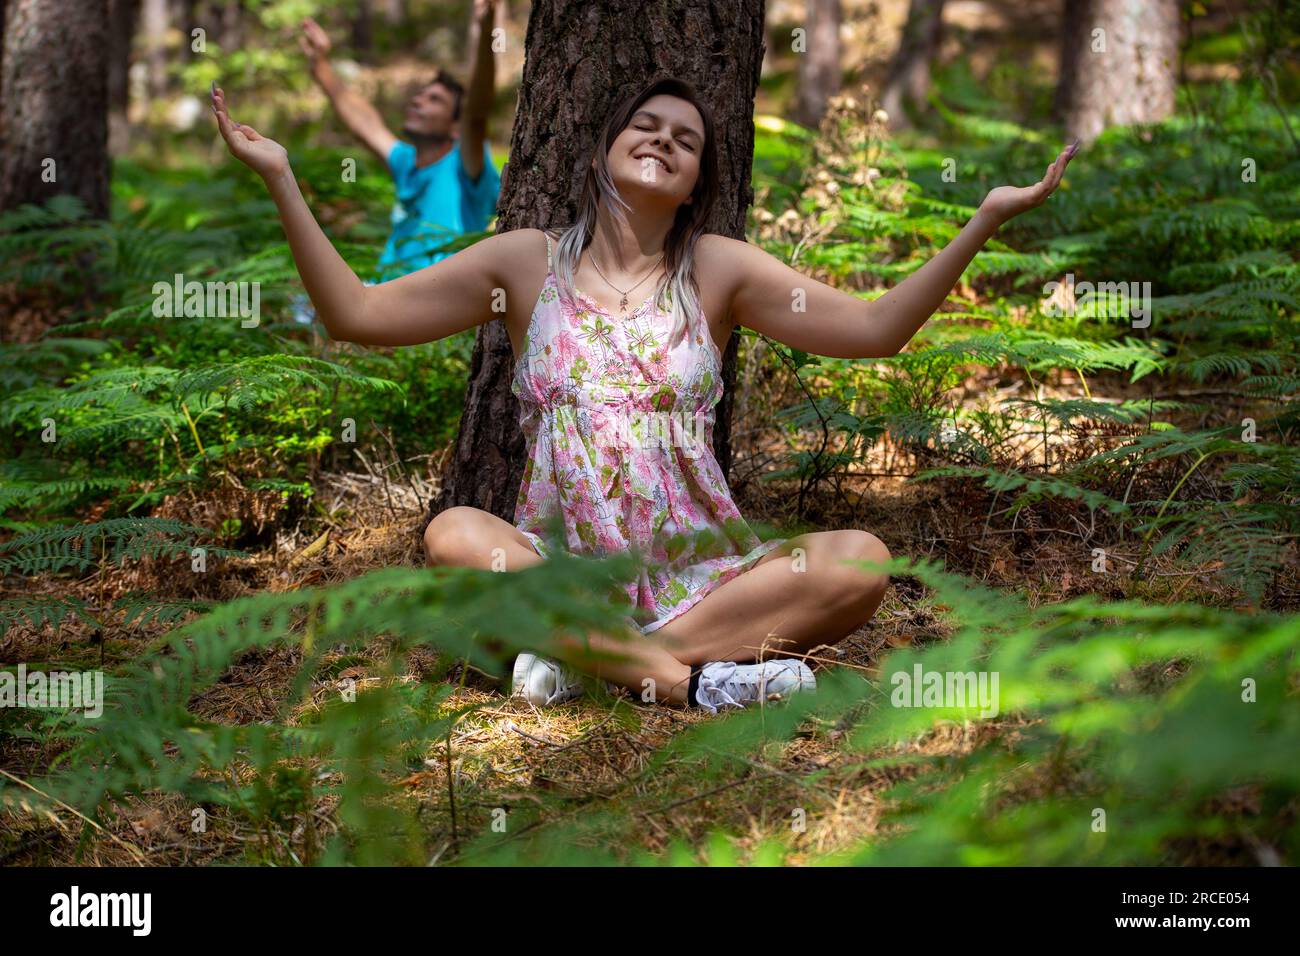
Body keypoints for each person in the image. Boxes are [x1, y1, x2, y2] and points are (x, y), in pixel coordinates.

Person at [208, 75, 1076, 715]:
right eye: (645, 127)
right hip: (562, 577)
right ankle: (695, 685)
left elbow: (877, 329)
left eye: (686, 139)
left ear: (699, 180)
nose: (662, 141)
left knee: (859, 559)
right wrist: (282, 177)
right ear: (602, 150)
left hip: (708, 583)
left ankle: (593, 667)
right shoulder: (525, 263)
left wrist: (985, 219)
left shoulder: (717, 269)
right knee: (455, 535)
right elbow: (357, 313)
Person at [297, 1, 501, 283]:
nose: (417, 101)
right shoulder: (407, 161)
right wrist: (321, 66)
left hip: (437, 309)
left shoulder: (466, 164)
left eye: (435, 100)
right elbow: (365, 124)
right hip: (380, 297)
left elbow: (476, 114)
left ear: (456, 126)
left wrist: (487, 30)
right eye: (420, 95)